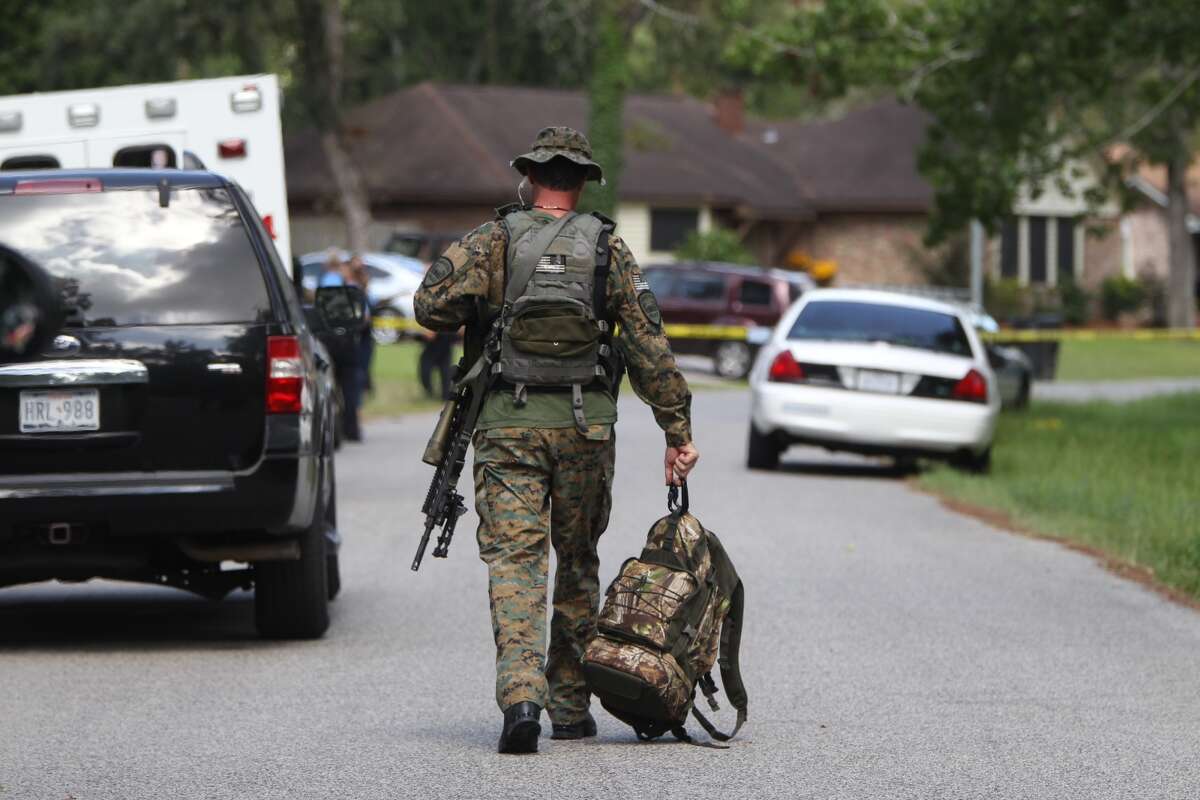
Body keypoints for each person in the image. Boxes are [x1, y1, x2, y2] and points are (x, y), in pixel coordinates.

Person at [414, 126, 699, 754]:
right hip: (586, 430)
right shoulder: (608, 248)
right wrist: (676, 431)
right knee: (577, 560)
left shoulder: (494, 239)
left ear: (531, 174)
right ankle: (569, 705)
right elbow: (650, 347)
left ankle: (521, 698)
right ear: (582, 181)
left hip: (506, 430)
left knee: (517, 563)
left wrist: (484, 304)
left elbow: (427, 305)